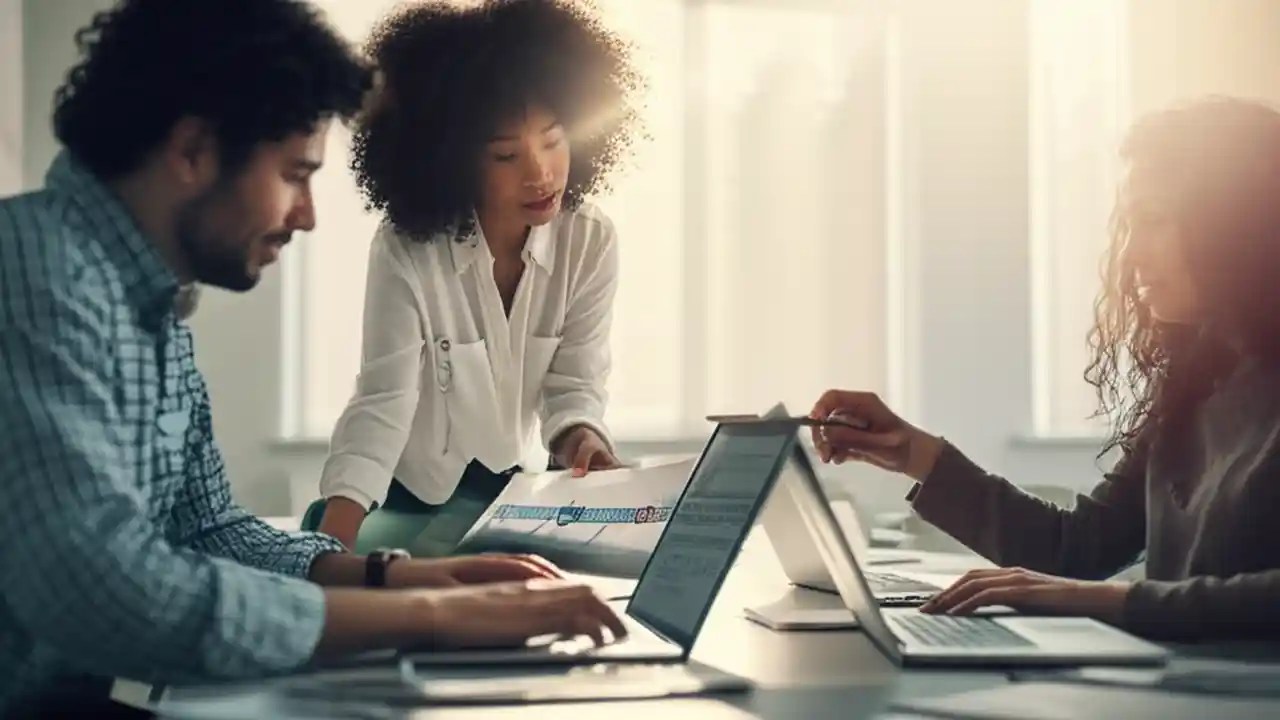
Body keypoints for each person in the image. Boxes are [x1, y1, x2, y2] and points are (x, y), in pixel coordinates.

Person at [0, 1, 623, 714]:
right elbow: (99, 592)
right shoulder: (35, 276)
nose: (306, 214)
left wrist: (398, 579)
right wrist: (433, 616)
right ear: (193, 152)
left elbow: (208, 529)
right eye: (295, 174)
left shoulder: (145, 305)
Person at [809, 96, 1280, 642]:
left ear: (1234, 225)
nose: (1129, 255)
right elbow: (1078, 548)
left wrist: (1100, 599)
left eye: (1153, 220)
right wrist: (912, 452)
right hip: (1180, 680)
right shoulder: (1191, 379)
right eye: (1128, 226)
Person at [308, 0, 645, 554]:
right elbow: (383, 403)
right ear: (453, 160)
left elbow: (574, 387)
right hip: (400, 501)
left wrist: (584, 440)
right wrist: (327, 552)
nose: (540, 173)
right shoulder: (406, 248)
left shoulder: (590, 240)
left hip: (507, 498)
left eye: (553, 140)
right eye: (506, 156)